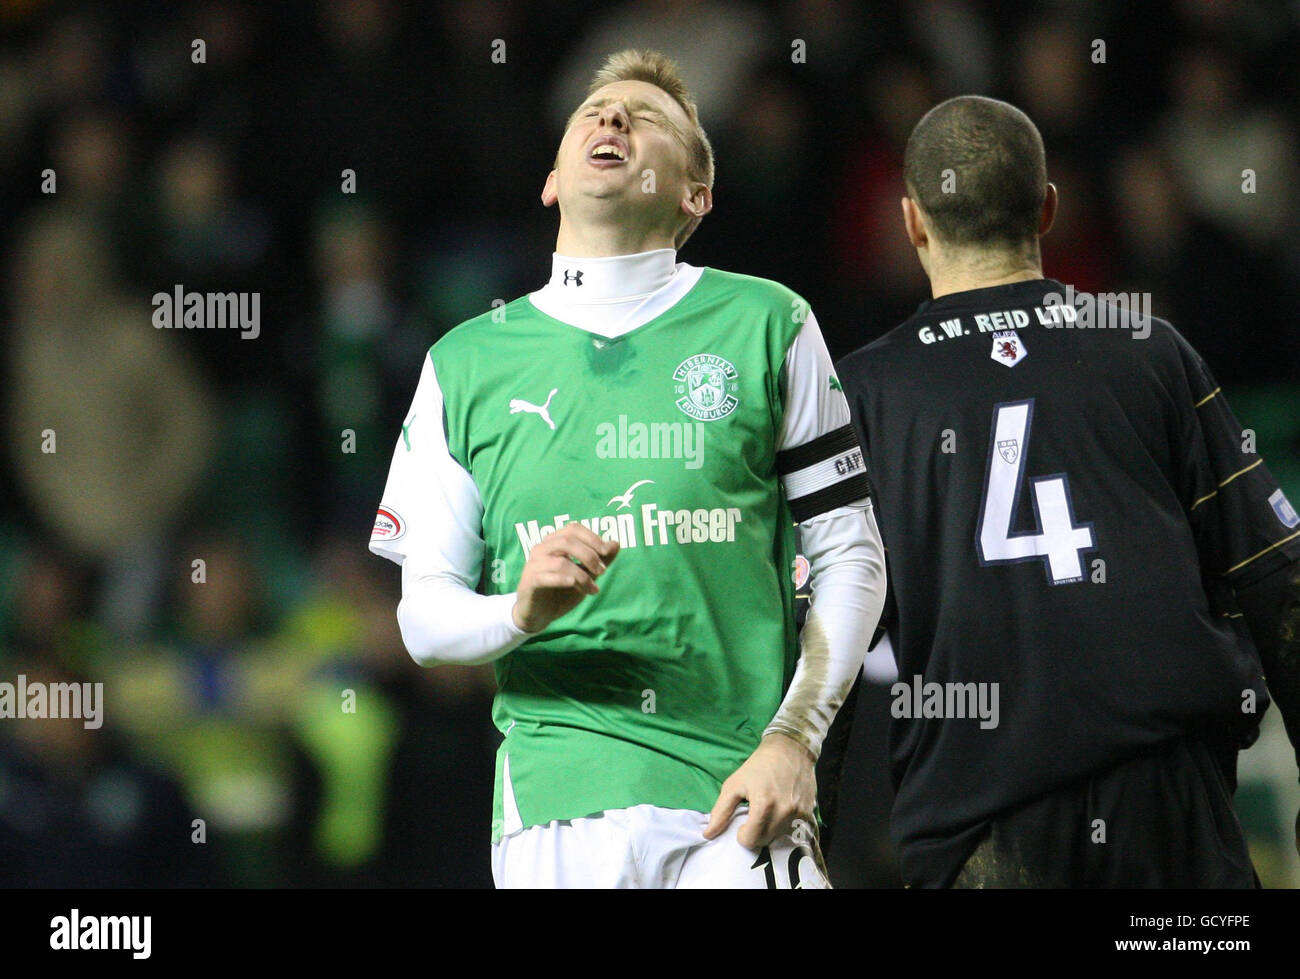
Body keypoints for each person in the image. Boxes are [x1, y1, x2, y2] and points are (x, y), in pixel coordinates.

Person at [369, 49, 886, 888]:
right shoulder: (463, 364)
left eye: (647, 118)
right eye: (595, 111)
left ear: (695, 194)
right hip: (555, 807)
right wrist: (521, 610)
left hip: (737, 793)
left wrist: (796, 738)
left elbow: (851, 555)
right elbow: (423, 621)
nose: (611, 120)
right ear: (551, 181)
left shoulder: (767, 322)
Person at [837, 95, 1300, 888]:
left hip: (981, 831)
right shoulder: (1149, 347)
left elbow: (824, 640)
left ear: (913, 221)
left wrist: (801, 820)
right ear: (1048, 207)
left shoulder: (864, 393)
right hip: (1171, 814)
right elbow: (1276, 576)